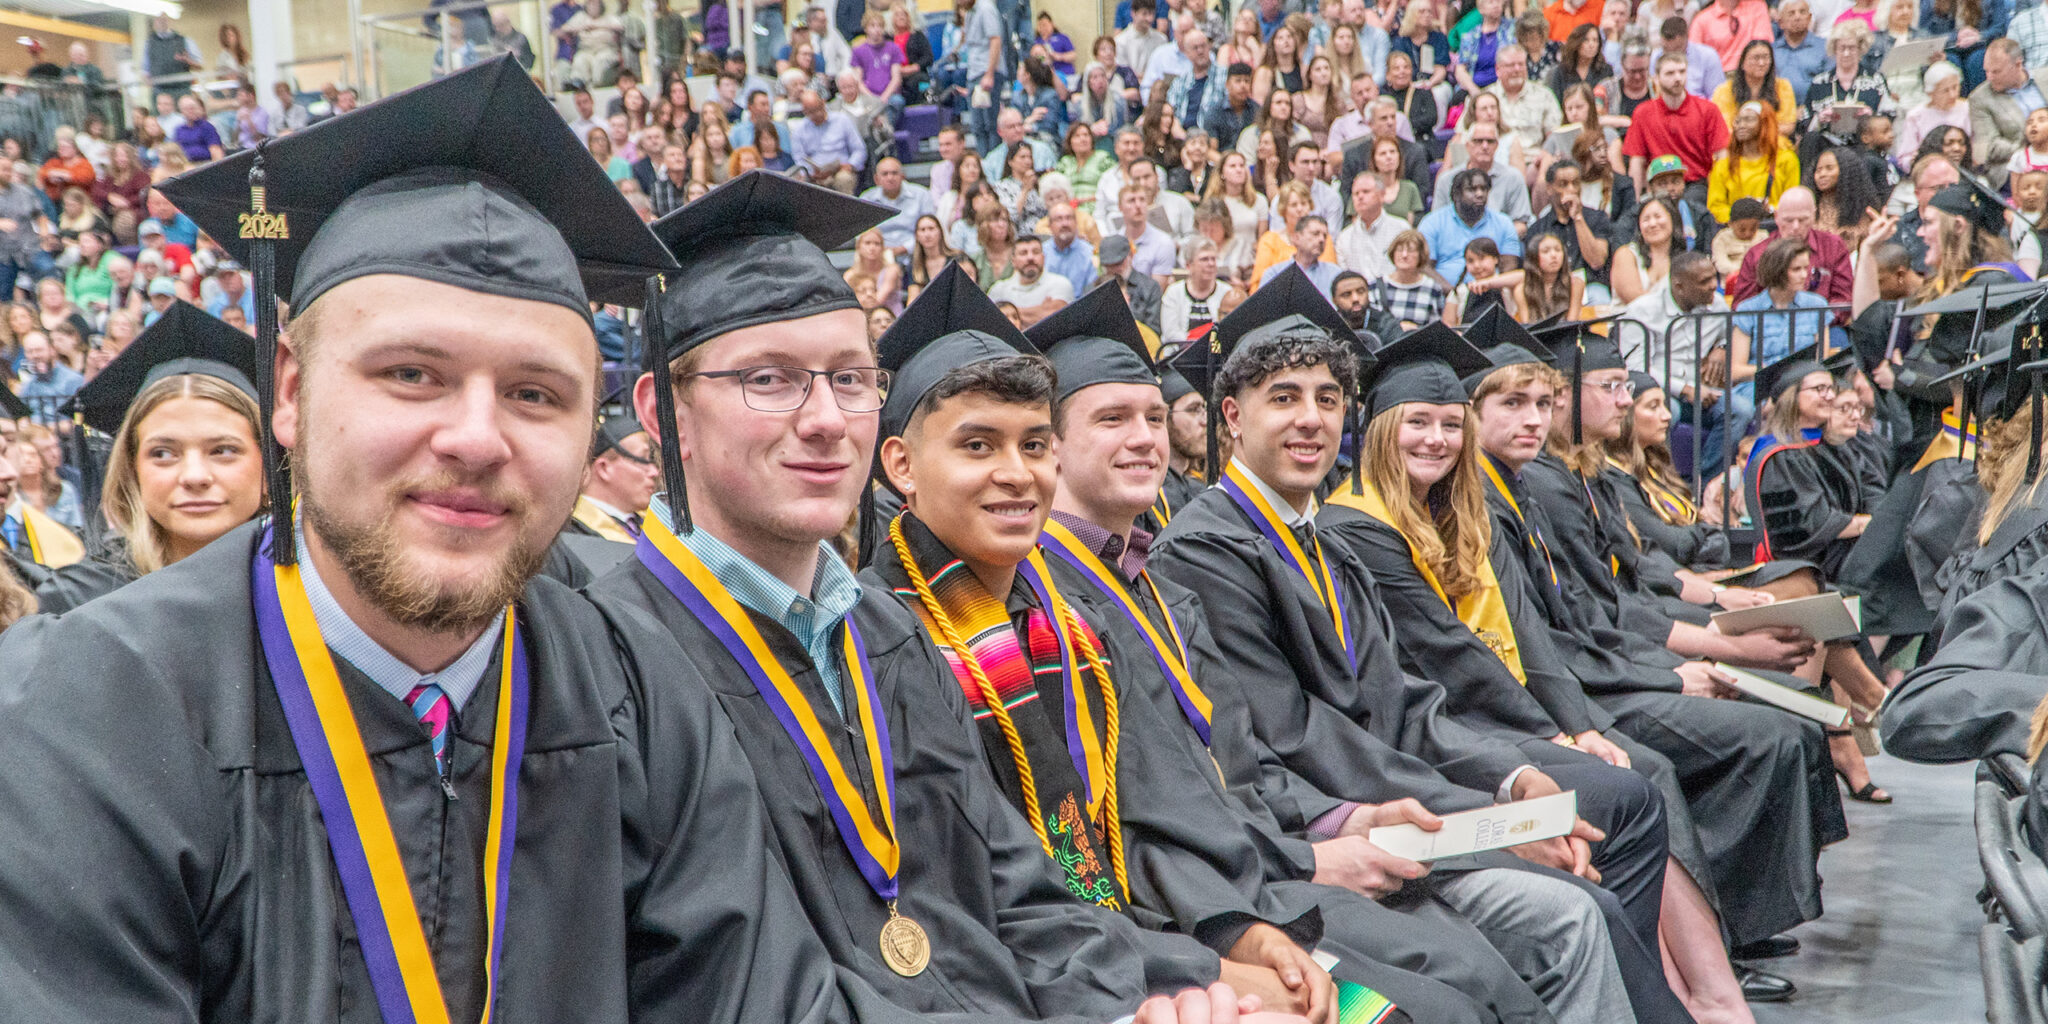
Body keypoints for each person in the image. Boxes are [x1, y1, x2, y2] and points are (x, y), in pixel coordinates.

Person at [7, 57, 907, 1024]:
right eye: (411, 373)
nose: (478, 438)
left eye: (535, 394)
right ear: (292, 391)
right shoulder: (90, 712)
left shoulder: (639, 687)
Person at [593, 186, 1294, 1021]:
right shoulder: (609, 665)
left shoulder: (884, 633)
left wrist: (1133, 1002)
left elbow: (1019, 891)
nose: (825, 419)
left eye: (851, 378)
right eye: (769, 379)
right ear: (662, 414)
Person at [1149, 276, 1708, 1024]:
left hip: (1396, 804)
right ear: (1231, 414)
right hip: (1326, 826)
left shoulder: (1320, 543)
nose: (1310, 419)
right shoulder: (1207, 551)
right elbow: (1298, 734)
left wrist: (1514, 784)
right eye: (1283, 398)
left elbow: (1405, 702)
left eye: (1326, 398)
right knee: (1571, 916)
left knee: (1589, 875)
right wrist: (1474, 817)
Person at [30, 302, 264, 613]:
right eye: (163, 453)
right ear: (132, 469)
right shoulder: (78, 606)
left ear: (269, 468)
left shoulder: (319, 593)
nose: (194, 476)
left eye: (223, 451)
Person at [1623, 54, 1732, 201]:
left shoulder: (1708, 109)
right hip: (1658, 183)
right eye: (1670, 73)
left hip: (1696, 184)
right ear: (1656, 78)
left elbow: (1722, 155)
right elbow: (1637, 161)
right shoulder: (1643, 113)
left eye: (1682, 71)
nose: (1677, 78)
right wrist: (1633, 203)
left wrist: (1719, 198)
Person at [1969, 39, 2048, 190]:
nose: (1989, 77)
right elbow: (1988, 146)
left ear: (2018, 65)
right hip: (2014, 164)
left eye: (1996, 71)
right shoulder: (1979, 98)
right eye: (1987, 71)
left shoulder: (2045, 78)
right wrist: (2033, 151)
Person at [1708, 103, 1800, 223]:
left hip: (1775, 227)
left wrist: (1771, 210)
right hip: (1736, 230)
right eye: (1738, 121)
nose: (1741, 125)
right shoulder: (1723, 165)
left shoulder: (1787, 159)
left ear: (1765, 123)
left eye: (1749, 120)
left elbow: (1793, 201)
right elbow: (1716, 206)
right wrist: (1740, 217)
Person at [1432, 124, 1531, 229]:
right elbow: (1437, 222)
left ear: (1497, 146)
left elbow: (1521, 224)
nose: (1485, 146)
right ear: (1468, 145)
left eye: (1490, 141)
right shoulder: (1447, 179)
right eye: (1478, 141)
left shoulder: (1513, 178)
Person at [1163, 238, 1244, 343]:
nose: (1211, 264)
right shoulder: (1173, 292)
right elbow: (1171, 334)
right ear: (1189, 266)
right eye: (1204, 259)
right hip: (1180, 353)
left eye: (1213, 259)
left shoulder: (1227, 292)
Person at [1711, 42, 1799, 138]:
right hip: (1736, 143)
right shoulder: (1724, 90)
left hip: (1773, 142)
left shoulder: (1783, 86)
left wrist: (1757, 133)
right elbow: (1722, 126)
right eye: (1756, 58)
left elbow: (1788, 125)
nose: (1761, 63)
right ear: (1743, 63)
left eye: (1765, 58)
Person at [1895, 61, 1972, 161]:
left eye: (1955, 87)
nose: (1952, 94)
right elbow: (1905, 157)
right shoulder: (1915, 116)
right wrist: (1914, 161)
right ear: (1930, 93)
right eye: (1945, 90)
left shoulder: (1968, 108)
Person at [1335, 170, 1404, 281]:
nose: (1360, 197)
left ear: (1382, 195)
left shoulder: (1401, 230)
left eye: (1366, 192)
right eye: (1356, 193)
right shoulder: (1344, 238)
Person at [1376, 231, 1451, 328]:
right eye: (1399, 250)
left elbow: (1436, 328)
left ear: (1421, 255)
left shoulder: (1432, 288)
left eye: (1411, 251)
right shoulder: (1377, 286)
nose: (1404, 255)